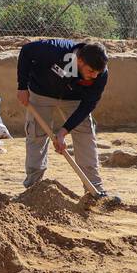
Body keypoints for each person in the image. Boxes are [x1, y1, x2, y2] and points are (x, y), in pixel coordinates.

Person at [16, 38, 109, 194]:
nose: (94, 76)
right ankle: (33, 189)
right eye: (91, 71)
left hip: (74, 99)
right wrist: (22, 87)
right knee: (36, 135)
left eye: (97, 73)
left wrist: (63, 132)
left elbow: (87, 106)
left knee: (85, 134)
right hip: (41, 92)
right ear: (79, 61)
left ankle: (94, 188)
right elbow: (26, 51)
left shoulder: (100, 74)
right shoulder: (54, 50)